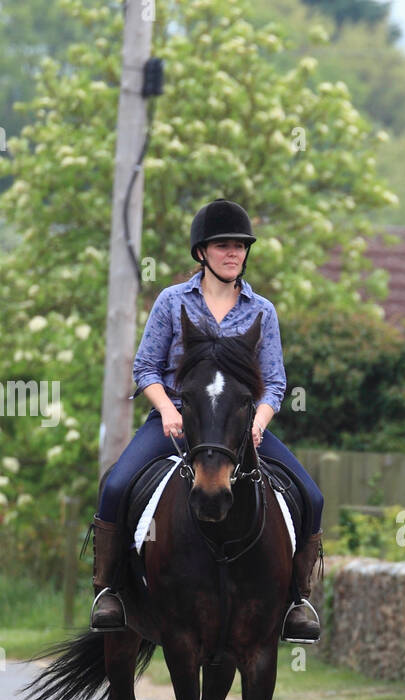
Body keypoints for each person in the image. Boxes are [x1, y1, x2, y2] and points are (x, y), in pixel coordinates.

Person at [90, 199, 325, 643]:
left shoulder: (263, 311)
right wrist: (167, 410)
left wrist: (259, 420)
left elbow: (274, 382)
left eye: (239, 246)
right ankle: (109, 591)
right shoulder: (171, 301)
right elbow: (145, 369)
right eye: (222, 246)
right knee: (117, 485)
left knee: (312, 496)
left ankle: (297, 600)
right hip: (178, 422)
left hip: (239, 429)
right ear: (202, 252)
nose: (233, 253)